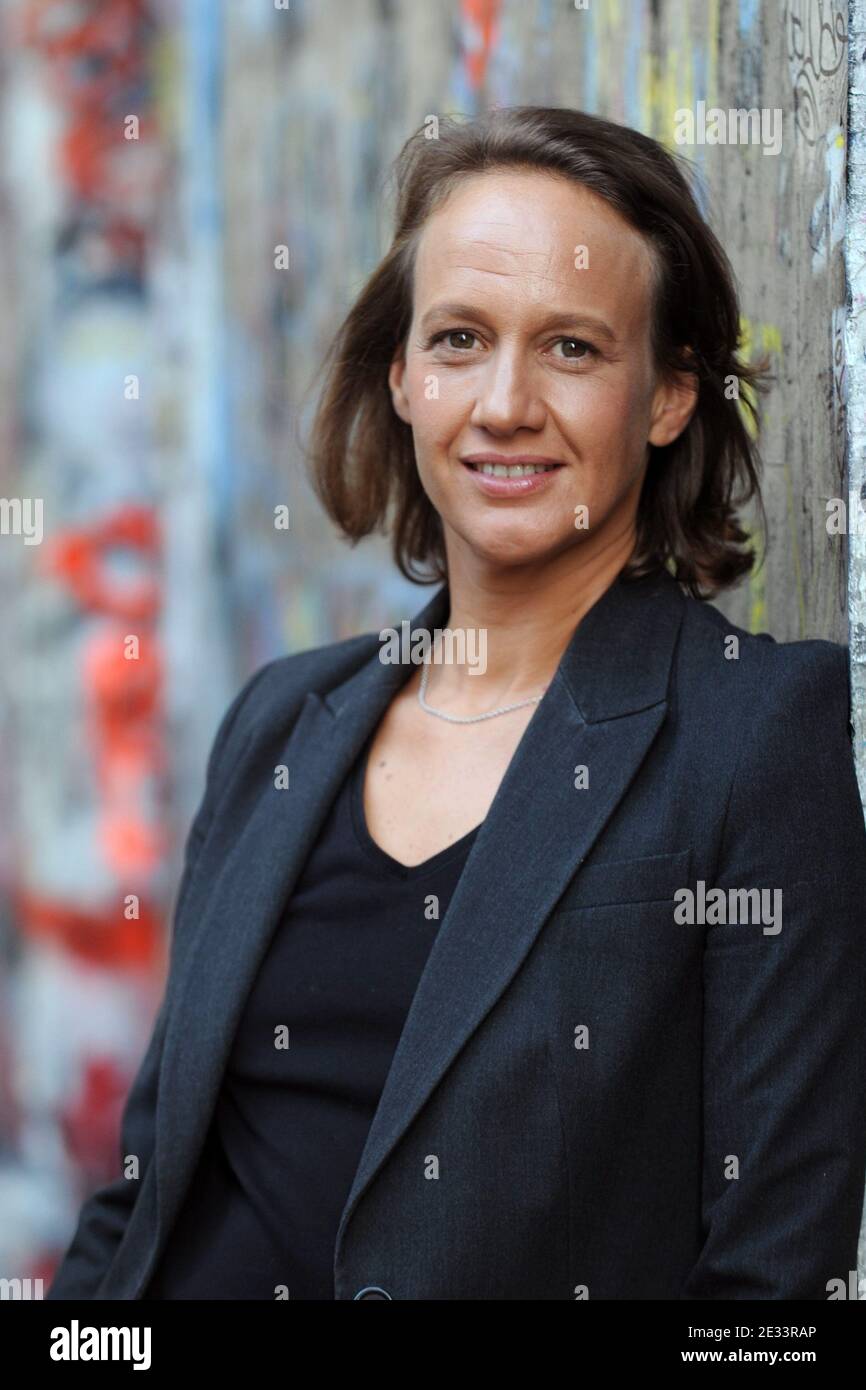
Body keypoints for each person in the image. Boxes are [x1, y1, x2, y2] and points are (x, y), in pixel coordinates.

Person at [48, 106, 866, 1301]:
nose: (503, 403)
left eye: (572, 349)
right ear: (401, 376)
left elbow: (767, 1283)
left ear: (667, 395)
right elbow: (144, 1194)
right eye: (459, 339)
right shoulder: (282, 721)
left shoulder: (750, 736)